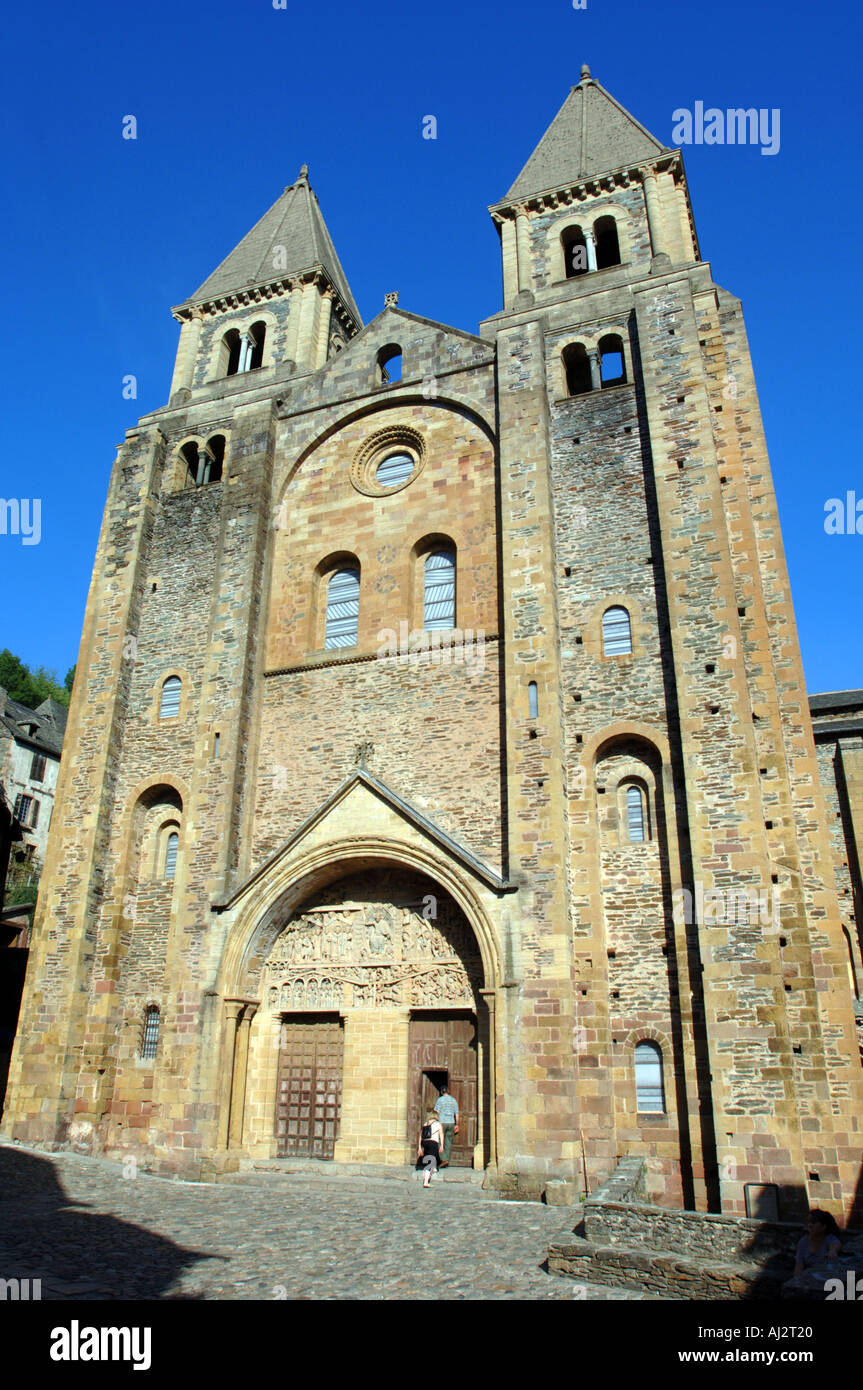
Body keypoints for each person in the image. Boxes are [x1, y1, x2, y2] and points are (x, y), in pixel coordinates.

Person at [794, 1209, 842, 1276]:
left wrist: (832, 1251)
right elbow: (799, 1266)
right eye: (808, 1222)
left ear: (823, 1227)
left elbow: (835, 1244)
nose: (809, 1225)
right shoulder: (803, 1242)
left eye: (813, 1222)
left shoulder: (828, 1239)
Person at [418, 1107, 444, 1188]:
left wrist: (419, 1147)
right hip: (433, 1142)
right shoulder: (437, 1124)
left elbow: (420, 1135)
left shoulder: (426, 1123)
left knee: (432, 1156)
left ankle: (434, 1168)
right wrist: (442, 1145)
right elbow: (441, 1135)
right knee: (430, 1160)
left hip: (425, 1143)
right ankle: (426, 1182)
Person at [434, 1085, 459, 1167]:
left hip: (442, 1122)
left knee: (440, 1141)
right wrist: (457, 1124)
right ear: (448, 1091)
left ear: (441, 1092)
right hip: (451, 1122)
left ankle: (442, 1159)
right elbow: (456, 1113)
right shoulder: (453, 1100)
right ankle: (446, 1159)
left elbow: (436, 1112)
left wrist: (435, 1122)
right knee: (448, 1142)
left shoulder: (440, 1100)